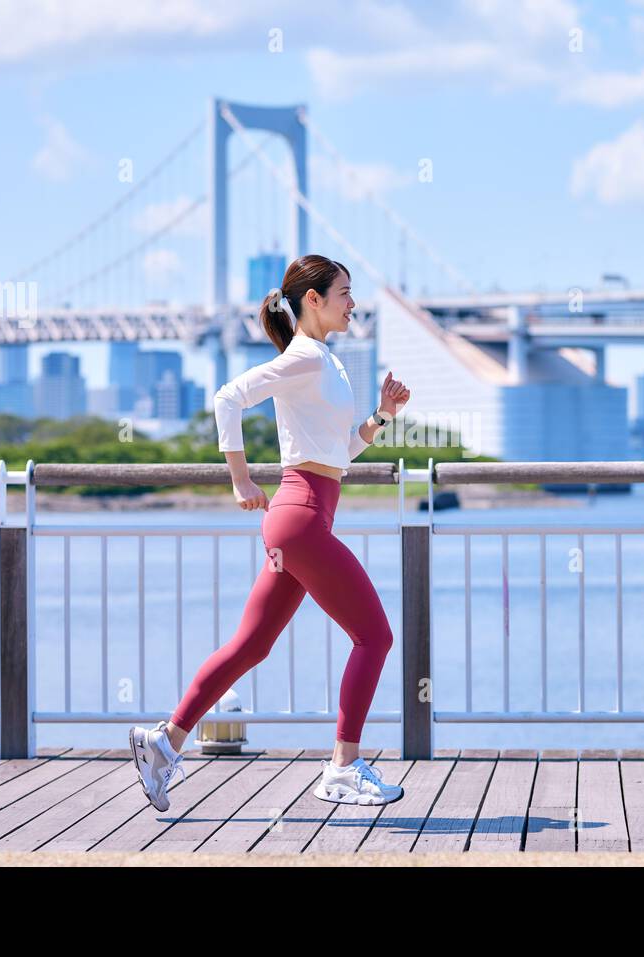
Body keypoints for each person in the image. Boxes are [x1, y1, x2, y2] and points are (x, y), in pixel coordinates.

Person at [129, 254, 411, 812]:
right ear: (314, 300)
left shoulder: (324, 361)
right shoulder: (305, 358)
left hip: (302, 519)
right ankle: (344, 767)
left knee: (251, 645)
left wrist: (380, 418)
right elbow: (226, 397)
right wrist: (240, 479)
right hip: (300, 520)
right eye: (344, 293)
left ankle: (165, 742)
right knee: (374, 637)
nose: (353, 303)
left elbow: (336, 455)